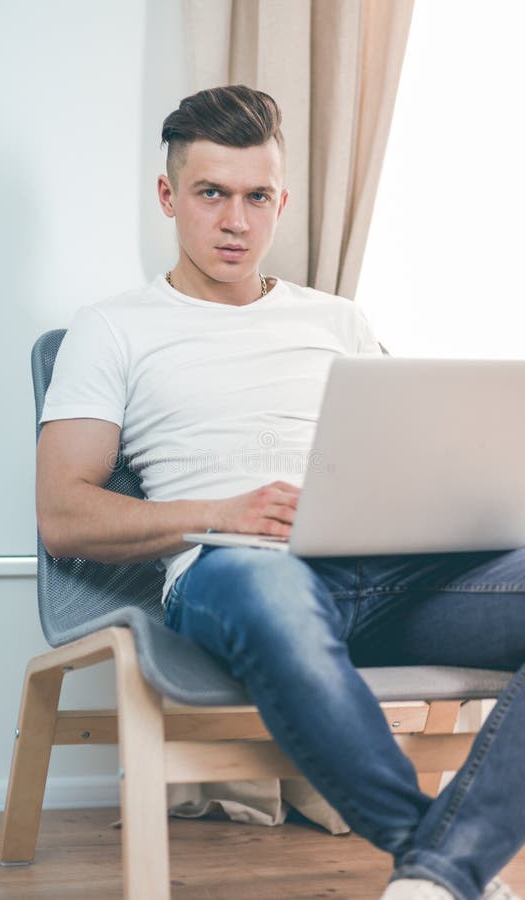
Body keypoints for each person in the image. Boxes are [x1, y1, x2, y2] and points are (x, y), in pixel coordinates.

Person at [37, 85, 525, 900]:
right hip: (238, 569)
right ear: (169, 196)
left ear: (282, 201)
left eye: (257, 197)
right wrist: (219, 516)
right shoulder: (111, 327)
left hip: (394, 575)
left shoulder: (338, 319)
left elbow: (402, 451)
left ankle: (438, 875)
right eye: (212, 194)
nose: (236, 221)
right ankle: (444, 863)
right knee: (268, 585)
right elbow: (64, 515)